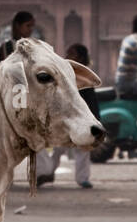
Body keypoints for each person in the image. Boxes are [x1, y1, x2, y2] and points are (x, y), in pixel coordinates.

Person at [36, 43, 99, 190]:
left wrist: (95, 123)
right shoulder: (62, 75)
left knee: (83, 150)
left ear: (81, 58)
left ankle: (83, 178)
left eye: (72, 54)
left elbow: (91, 102)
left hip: (82, 121)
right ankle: (48, 173)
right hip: (64, 120)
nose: (67, 56)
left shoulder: (86, 77)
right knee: (59, 148)